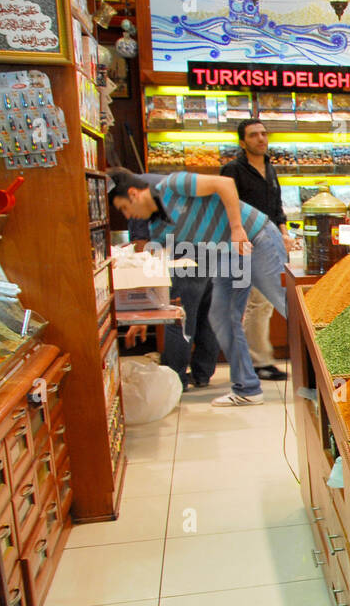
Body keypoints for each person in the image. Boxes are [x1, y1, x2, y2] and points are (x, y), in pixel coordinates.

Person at [108, 166, 289, 406]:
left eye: (124, 208)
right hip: (229, 254)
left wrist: (237, 228)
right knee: (222, 317)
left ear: (133, 194)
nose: (128, 215)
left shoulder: (172, 185)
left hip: (254, 235)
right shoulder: (157, 227)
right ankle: (247, 389)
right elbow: (158, 268)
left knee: (289, 305)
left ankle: (329, 367)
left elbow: (225, 184)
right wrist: (143, 315)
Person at [219, 118, 298, 382]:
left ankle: (258, 359)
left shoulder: (270, 169)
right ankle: (259, 361)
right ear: (242, 142)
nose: (261, 138)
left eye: (264, 133)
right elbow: (225, 207)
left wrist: (284, 233)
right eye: (253, 135)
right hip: (248, 244)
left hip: (271, 243)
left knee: (262, 303)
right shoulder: (232, 170)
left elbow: (277, 208)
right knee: (258, 303)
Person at [129, 200, 220, 389]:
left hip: (182, 255)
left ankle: (175, 379)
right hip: (212, 246)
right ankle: (203, 374)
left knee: (179, 319)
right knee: (208, 315)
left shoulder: (139, 199)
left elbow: (141, 244)